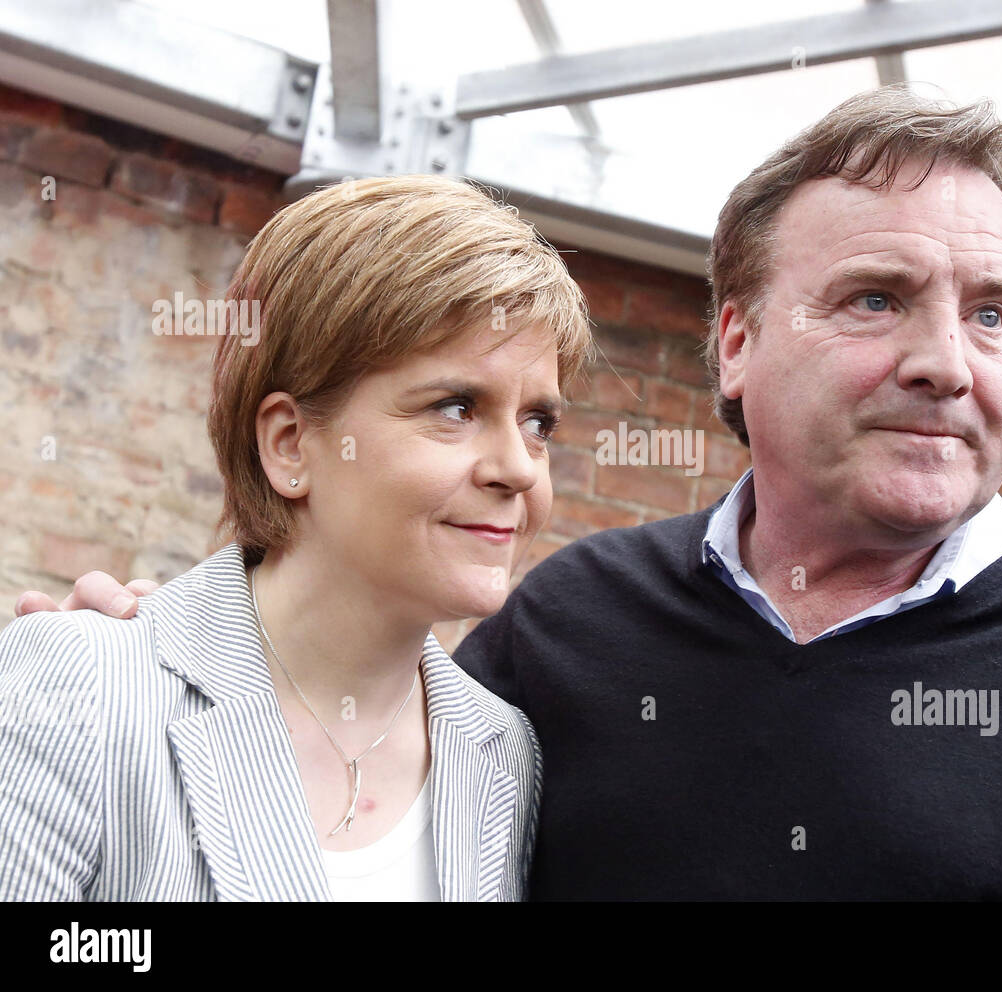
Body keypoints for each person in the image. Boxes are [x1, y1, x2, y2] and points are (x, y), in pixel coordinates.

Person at [19, 88, 1002, 900]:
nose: (944, 360)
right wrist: (144, 639)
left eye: (992, 314)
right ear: (734, 342)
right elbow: (290, 693)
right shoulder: (568, 632)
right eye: (875, 298)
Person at [0, 174, 591, 901]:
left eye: (539, 423)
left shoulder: (505, 753)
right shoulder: (85, 688)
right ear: (289, 444)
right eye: (456, 407)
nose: (518, 469)